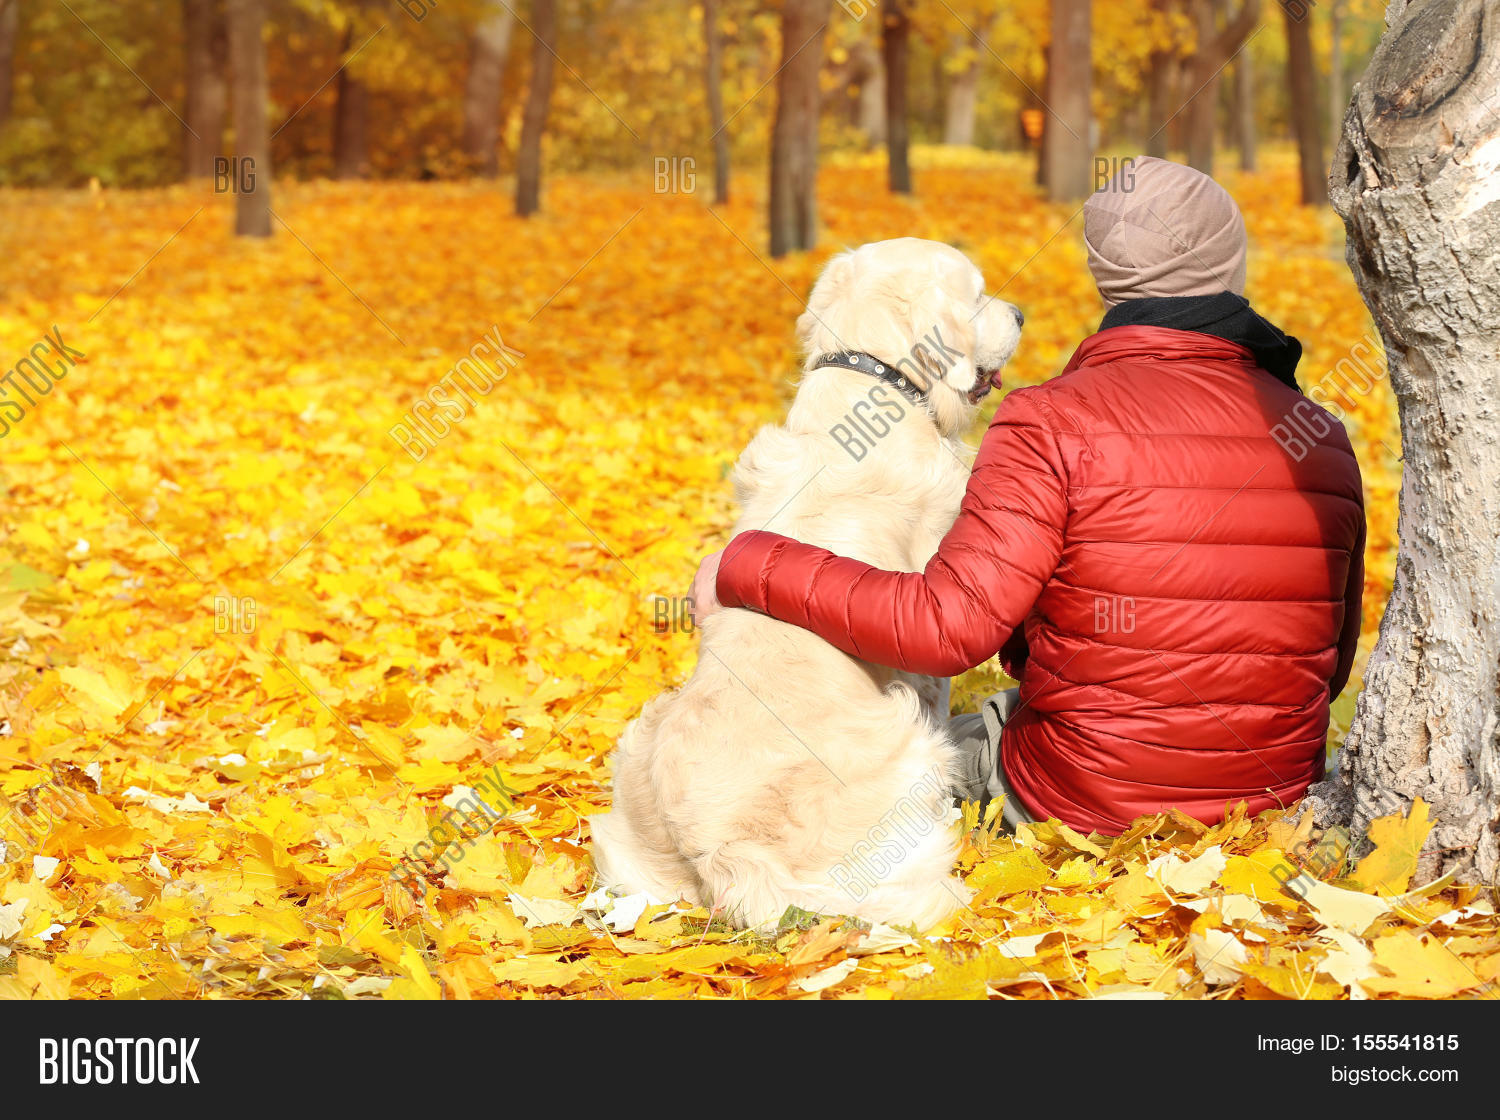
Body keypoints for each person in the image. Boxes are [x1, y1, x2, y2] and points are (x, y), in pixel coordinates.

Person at [688, 156, 1365, 837]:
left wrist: (750, 563)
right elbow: (1327, 668)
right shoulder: (1322, 438)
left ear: (1105, 273)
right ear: (1232, 266)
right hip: (1274, 800)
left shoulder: (1047, 421)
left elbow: (944, 629)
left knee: (856, 763)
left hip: (1081, 803)